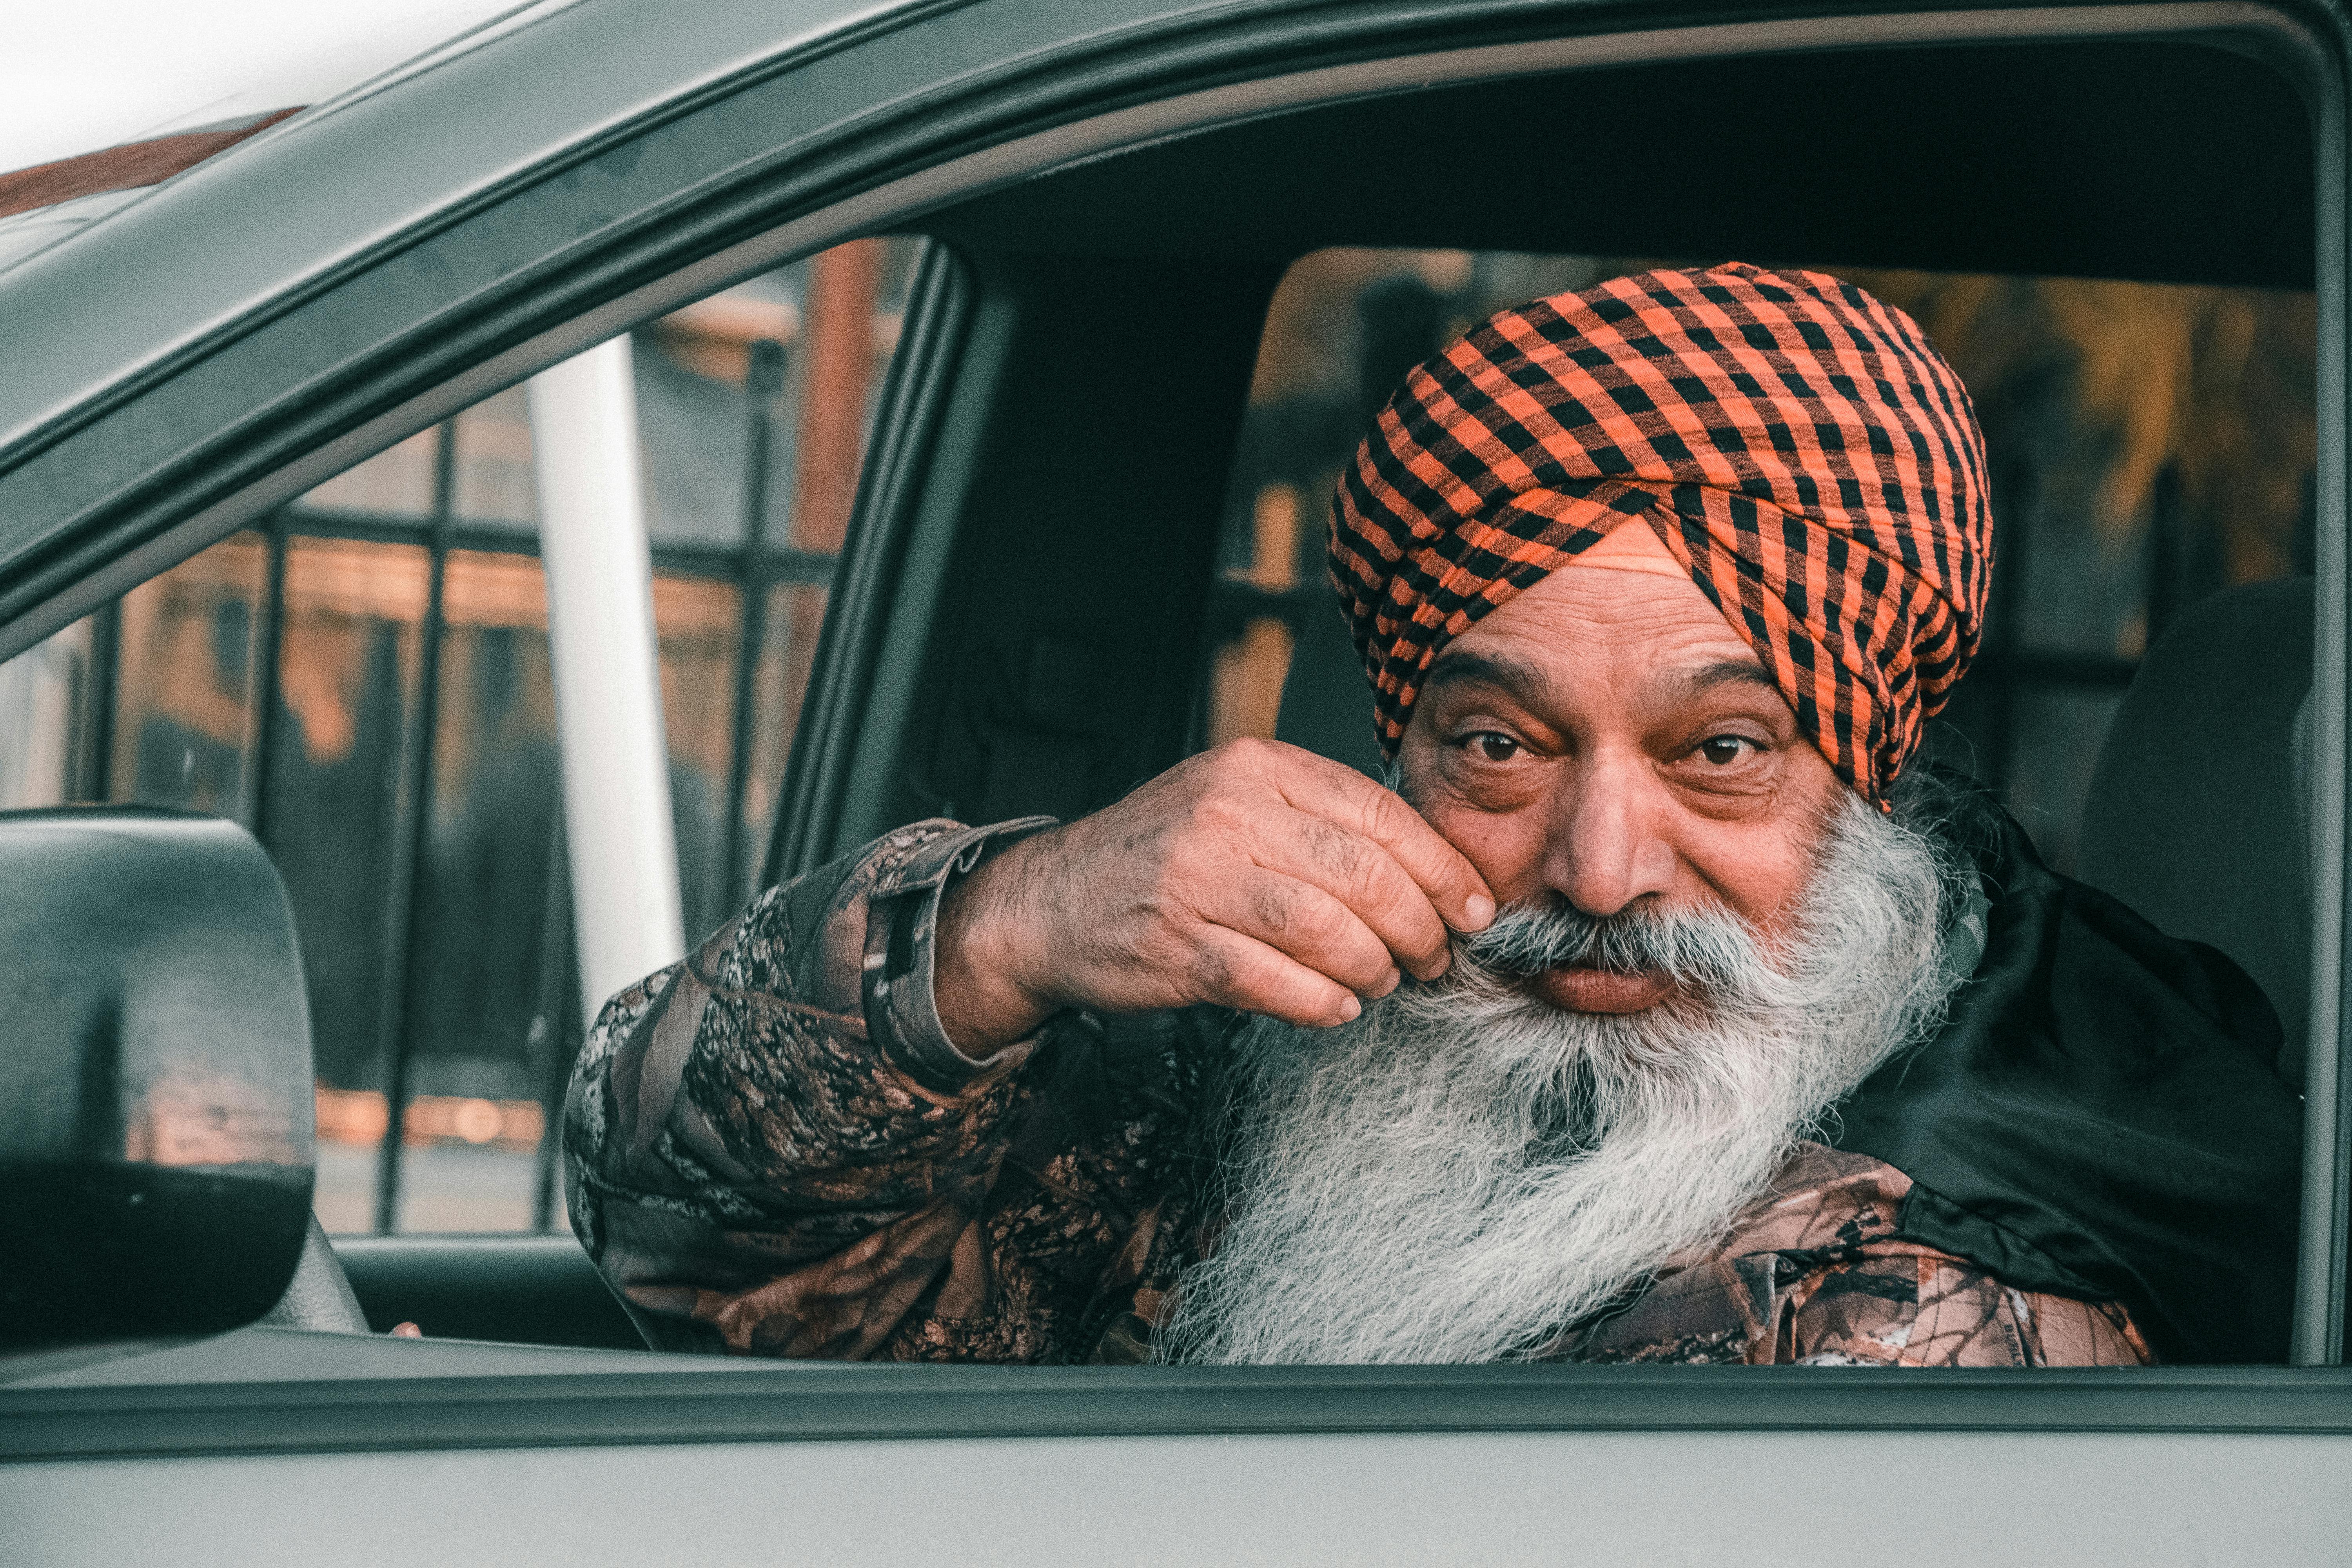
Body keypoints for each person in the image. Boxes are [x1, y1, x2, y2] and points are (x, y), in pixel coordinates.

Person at [566, 263, 2301, 1367]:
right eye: (1498, 747)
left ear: (1866, 791)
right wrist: (1009, 922)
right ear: (1388, 752)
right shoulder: (1317, 1075)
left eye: (1721, 754)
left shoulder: (1912, 1311)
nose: (1601, 869)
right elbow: (712, 1258)